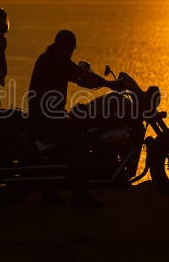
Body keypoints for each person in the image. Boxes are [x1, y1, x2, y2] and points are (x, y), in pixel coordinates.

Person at [28, 29, 122, 208]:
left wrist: (103, 83)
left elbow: (79, 75)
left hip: (47, 114)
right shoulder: (56, 60)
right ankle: (79, 195)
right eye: (70, 47)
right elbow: (82, 77)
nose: (71, 51)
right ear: (61, 45)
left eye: (72, 48)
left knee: (74, 131)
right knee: (79, 143)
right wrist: (109, 84)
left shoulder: (49, 58)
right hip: (46, 117)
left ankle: (51, 191)